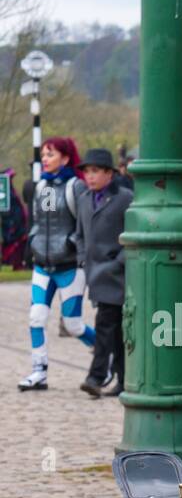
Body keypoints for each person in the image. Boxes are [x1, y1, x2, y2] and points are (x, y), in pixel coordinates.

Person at [19, 138, 92, 392]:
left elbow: (84, 225)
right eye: (43, 155)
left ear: (65, 158)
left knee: (73, 325)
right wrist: (34, 242)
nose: (45, 159)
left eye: (50, 154)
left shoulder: (76, 187)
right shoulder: (45, 188)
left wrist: (72, 244)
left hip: (70, 266)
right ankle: (38, 371)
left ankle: (107, 355)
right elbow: (42, 221)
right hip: (43, 265)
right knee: (36, 317)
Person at [72, 148, 132, 398]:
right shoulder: (84, 198)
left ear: (110, 173)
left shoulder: (125, 198)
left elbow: (132, 236)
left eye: (95, 171)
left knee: (106, 326)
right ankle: (123, 379)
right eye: (87, 171)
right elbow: (80, 235)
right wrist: (82, 258)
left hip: (118, 275)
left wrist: (119, 261)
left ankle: (96, 376)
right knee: (115, 329)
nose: (90, 176)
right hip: (95, 274)